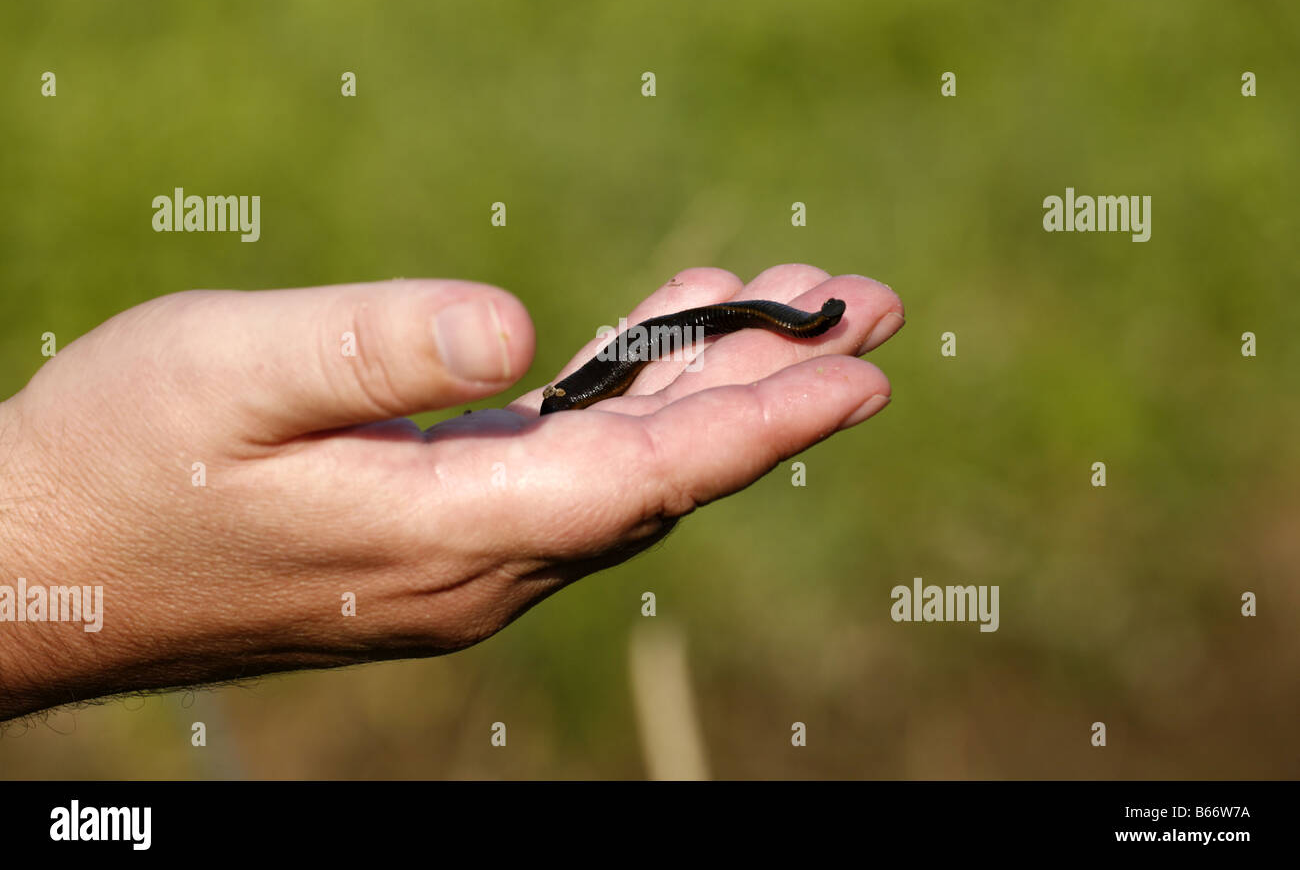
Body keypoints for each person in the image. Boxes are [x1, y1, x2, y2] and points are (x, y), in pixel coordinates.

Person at [0, 264, 903, 721]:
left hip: (596, 388)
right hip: (589, 392)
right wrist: (53, 535)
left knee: (692, 327)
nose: (809, 330)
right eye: (808, 328)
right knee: (663, 342)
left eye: (807, 329)